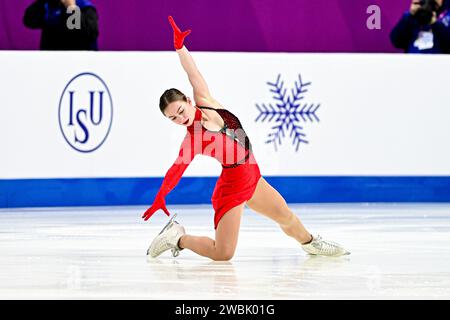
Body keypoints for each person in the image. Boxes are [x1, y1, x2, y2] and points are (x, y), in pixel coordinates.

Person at [142, 16, 350, 261]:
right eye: (173, 119)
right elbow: (176, 170)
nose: (180, 118)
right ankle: (177, 237)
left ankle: (311, 244)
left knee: (286, 216)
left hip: (251, 174)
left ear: (188, 101)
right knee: (223, 253)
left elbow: (192, 71)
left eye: (180, 111)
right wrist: (160, 197)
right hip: (233, 185)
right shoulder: (193, 140)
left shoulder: (205, 100)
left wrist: (179, 47)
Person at [23, 0, 99, 50]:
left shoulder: (84, 7)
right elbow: (29, 21)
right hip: (51, 62)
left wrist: (72, 9)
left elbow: (90, 33)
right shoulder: (49, 5)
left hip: (78, 62)